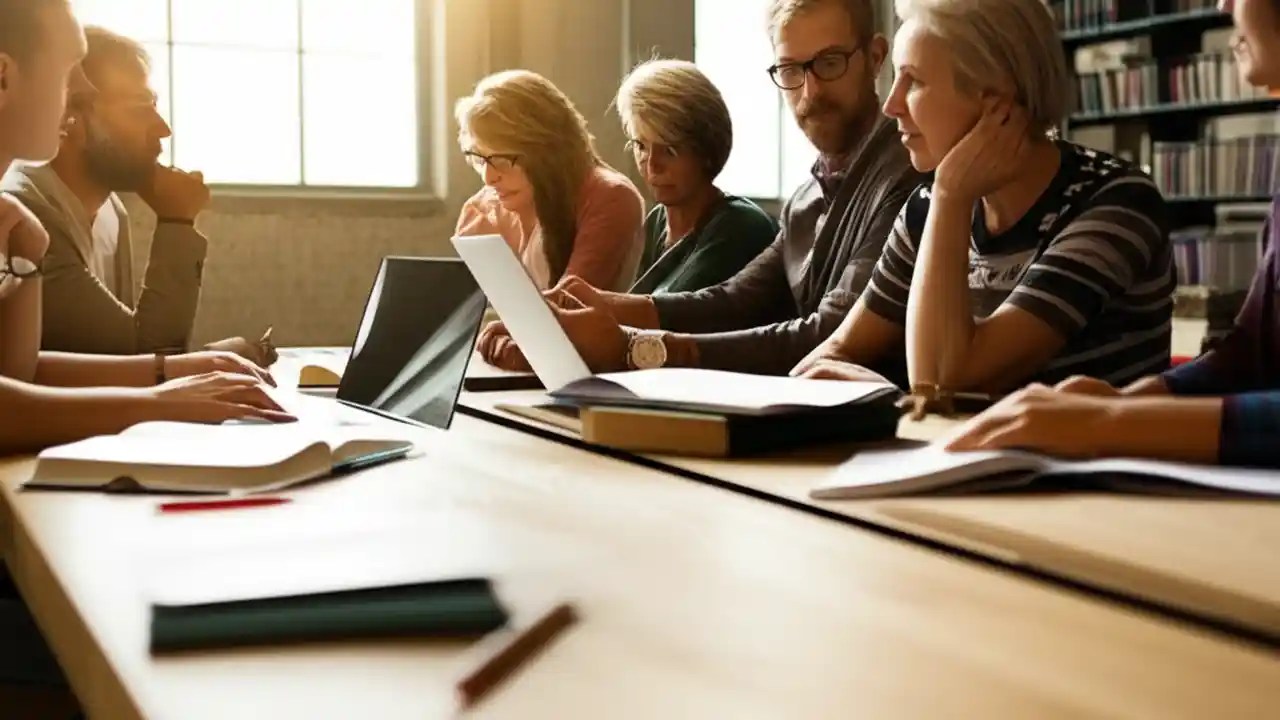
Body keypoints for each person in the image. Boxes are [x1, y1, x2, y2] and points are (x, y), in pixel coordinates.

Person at [478, 0, 923, 375]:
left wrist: (633, 348)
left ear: (876, 56)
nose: (810, 92)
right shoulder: (807, 196)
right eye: (790, 69)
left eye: (829, 63)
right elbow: (734, 300)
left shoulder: (908, 175)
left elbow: (829, 333)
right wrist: (590, 305)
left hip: (875, 441)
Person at [945, 0, 1280, 468]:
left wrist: (1109, 426)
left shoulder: (1112, 197)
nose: (1223, 3)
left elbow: (950, 374)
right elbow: (1254, 354)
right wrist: (1141, 398)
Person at [792, 0, 1174, 396]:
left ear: (998, 97)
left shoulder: (1115, 204)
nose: (891, 106)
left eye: (914, 81)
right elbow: (828, 359)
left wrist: (951, 196)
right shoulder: (924, 210)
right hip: (955, 452)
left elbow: (946, 381)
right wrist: (897, 394)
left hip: (1079, 458)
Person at [0, 0, 290, 458]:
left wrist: (174, 372)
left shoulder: (27, 223)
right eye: (69, 68)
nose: (81, 87)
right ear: (3, 76)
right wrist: (157, 395)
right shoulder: (25, 205)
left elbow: (13, 374)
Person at [1, 26, 272, 363]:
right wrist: (177, 221)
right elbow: (143, 357)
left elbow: (135, 360)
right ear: (69, 113)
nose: (163, 129)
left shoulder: (112, 212)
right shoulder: (26, 210)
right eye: (141, 108)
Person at [454, 70, 645, 292]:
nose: (489, 178)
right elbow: (462, 315)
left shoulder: (611, 198)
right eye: (479, 158)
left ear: (547, 150)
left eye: (503, 160)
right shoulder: (483, 210)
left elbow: (570, 311)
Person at [616, 59, 777, 294]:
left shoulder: (741, 227)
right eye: (641, 146)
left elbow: (678, 316)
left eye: (669, 150)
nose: (652, 165)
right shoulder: (657, 221)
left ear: (705, 149)